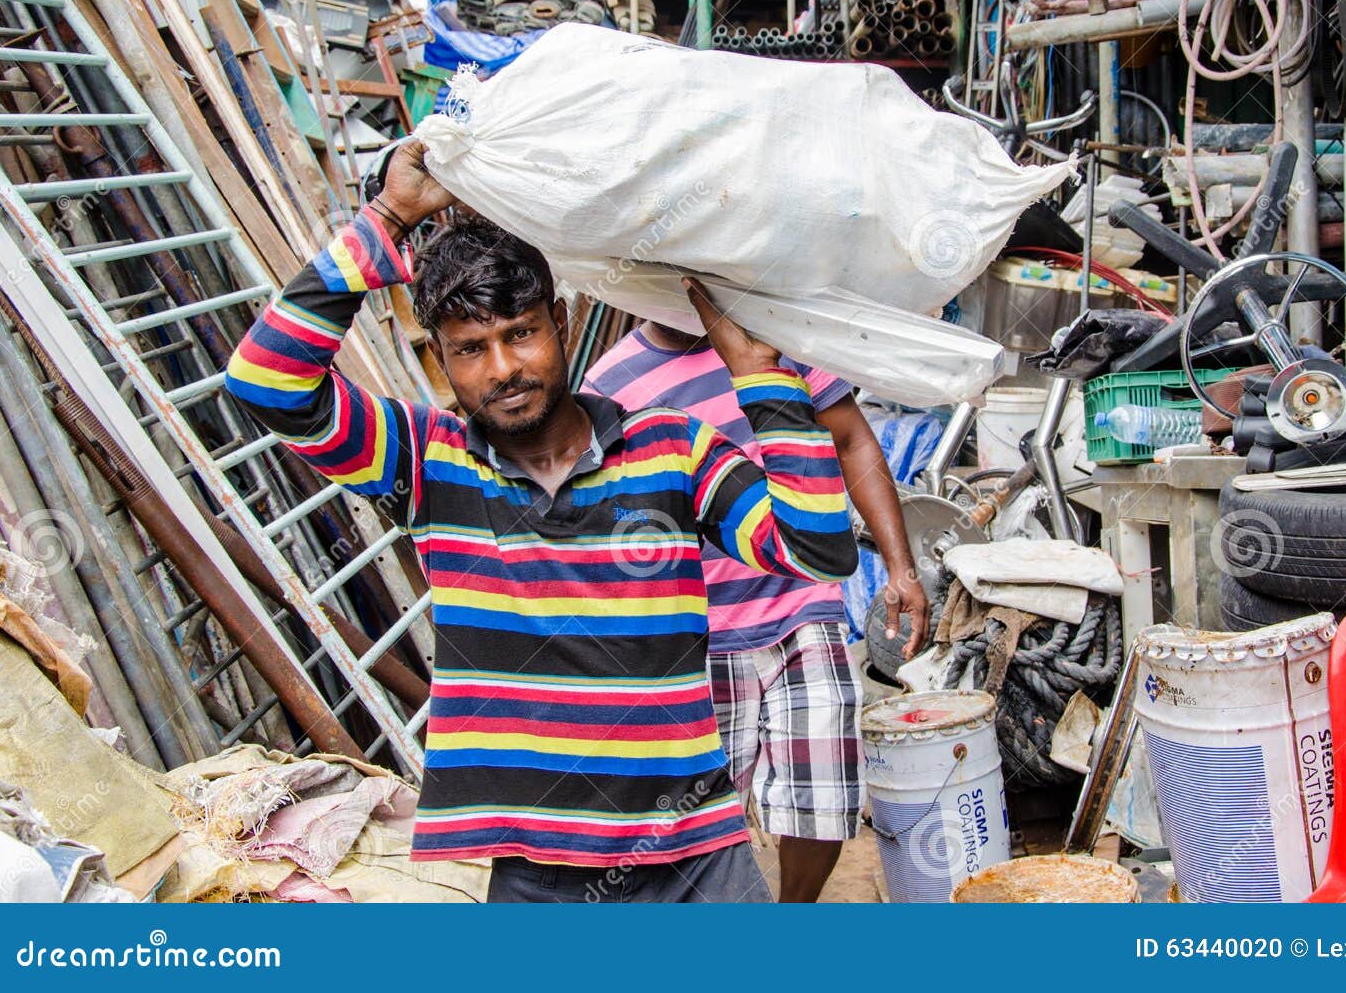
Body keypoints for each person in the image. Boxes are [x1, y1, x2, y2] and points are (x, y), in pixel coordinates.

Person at [223, 141, 858, 903]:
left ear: (559, 323)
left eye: (520, 333)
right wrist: (388, 216)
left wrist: (760, 376)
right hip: (535, 871)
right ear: (441, 359)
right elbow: (264, 382)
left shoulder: (674, 450)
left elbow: (819, 549)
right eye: (470, 349)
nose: (502, 370)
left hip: (695, 857)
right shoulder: (428, 462)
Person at [583, 312, 929, 902]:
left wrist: (900, 567)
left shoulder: (779, 340)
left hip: (803, 606)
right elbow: (596, 512)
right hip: (695, 633)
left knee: (822, 797)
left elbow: (850, 439)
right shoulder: (610, 385)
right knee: (697, 817)